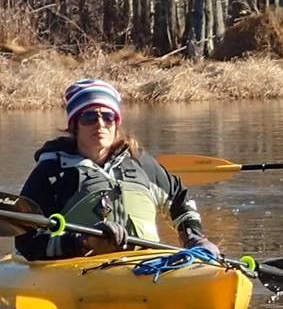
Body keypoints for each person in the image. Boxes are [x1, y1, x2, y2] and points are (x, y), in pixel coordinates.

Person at [15, 79, 219, 260]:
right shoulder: (52, 172)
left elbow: (179, 199)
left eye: (107, 116)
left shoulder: (140, 163)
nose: (100, 124)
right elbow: (27, 241)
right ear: (75, 125)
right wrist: (83, 242)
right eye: (89, 117)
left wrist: (194, 237)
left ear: (116, 123)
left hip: (148, 266)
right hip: (82, 271)